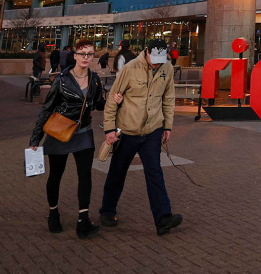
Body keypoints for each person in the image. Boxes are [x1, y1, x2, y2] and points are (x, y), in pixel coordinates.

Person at [100, 39, 183, 236]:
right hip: (127, 131)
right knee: (117, 173)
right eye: (154, 59)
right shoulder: (130, 68)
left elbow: (168, 98)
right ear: (146, 53)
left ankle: (163, 219)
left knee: (155, 173)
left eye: (160, 60)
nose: (156, 63)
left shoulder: (167, 68)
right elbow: (113, 98)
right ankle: (107, 211)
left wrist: (168, 126)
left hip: (152, 130)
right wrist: (110, 129)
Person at [30, 39, 107, 238]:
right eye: (82, 53)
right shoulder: (62, 79)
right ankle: (53, 212)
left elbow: (98, 104)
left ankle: (83, 219)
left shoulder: (95, 79)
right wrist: (36, 138)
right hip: (60, 132)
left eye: (89, 54)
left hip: (83, 132)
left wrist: (112, 100)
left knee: (85, 176)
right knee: (56, 175)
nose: (86, 57)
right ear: (75, 56)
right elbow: (47, 108)